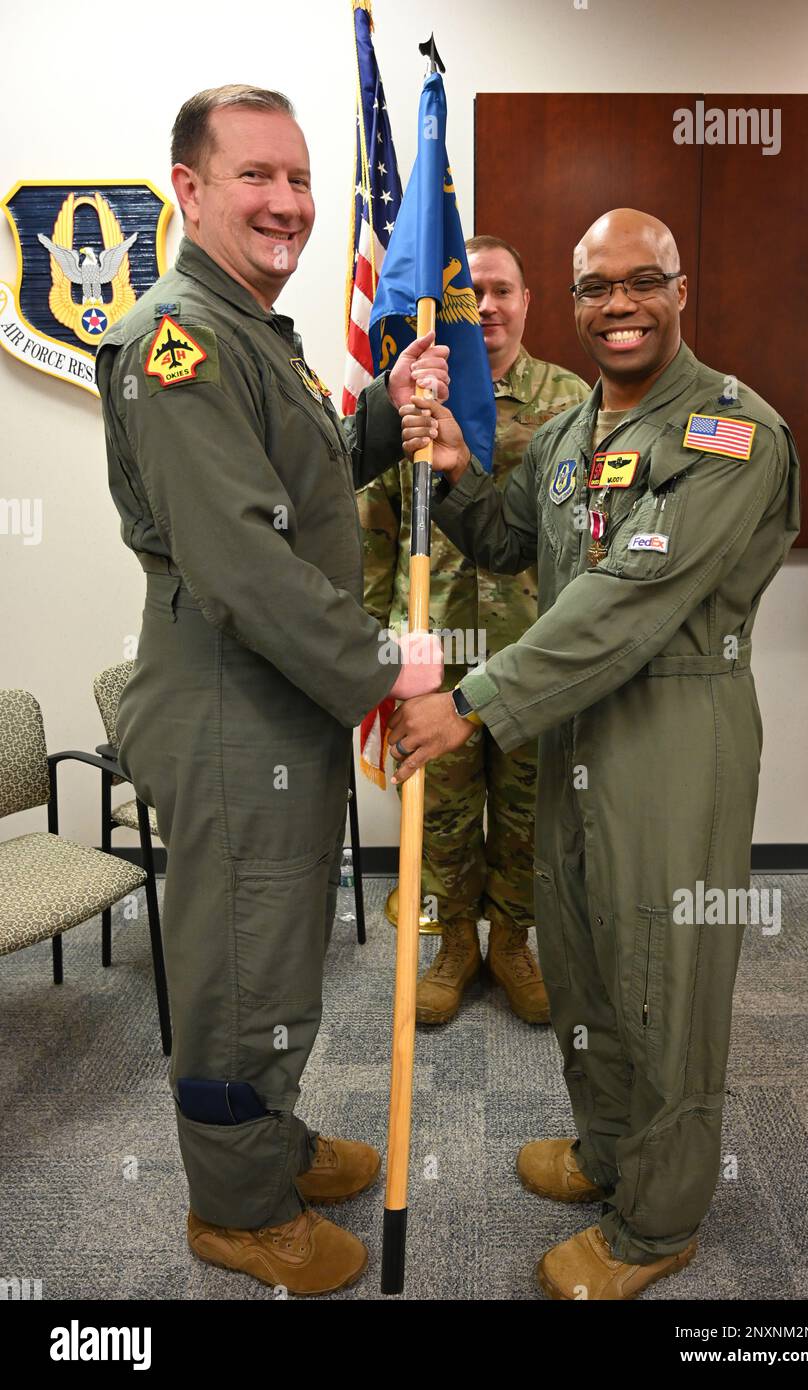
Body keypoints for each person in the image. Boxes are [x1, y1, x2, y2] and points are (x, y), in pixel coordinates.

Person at [388, 208, 800, 1299]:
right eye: (594, 288)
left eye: (639, 283)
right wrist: (457, 469)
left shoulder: (729, 432)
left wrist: (470, 702)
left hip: (672, 736)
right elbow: (516, 543)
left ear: (678, 291)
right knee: (578, 950)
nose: (615, 306)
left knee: (661, 973)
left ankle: (656, 1221)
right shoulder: (574, 435)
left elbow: (626, 602)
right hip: (571, 728)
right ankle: (611, 1150)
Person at [96, 84, 447, 1298]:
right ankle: (236, 1210)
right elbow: (246, 561)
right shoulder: (178, 340)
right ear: (189, 190)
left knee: (277, 950)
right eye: (256, 176)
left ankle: (271, 1139)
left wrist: (382, 427)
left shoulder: (251, 333)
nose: (289, 202)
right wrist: (384, 675)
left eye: (299, 178)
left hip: (273, 706)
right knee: (240, 965)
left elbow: (291, 475)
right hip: (233, 707)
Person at [357, 235, 589, 1025]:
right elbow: (375, 524)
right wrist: (367, 643)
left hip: (531, 646)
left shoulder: (570, 401)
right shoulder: (419, 401)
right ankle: (455, 944)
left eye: (502, 291)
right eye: (471, 295)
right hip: (434, 649)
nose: (487, 306)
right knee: (443, 814)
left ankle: (512, 945)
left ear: (527, 301)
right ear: (452, 309)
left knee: (527, 811)